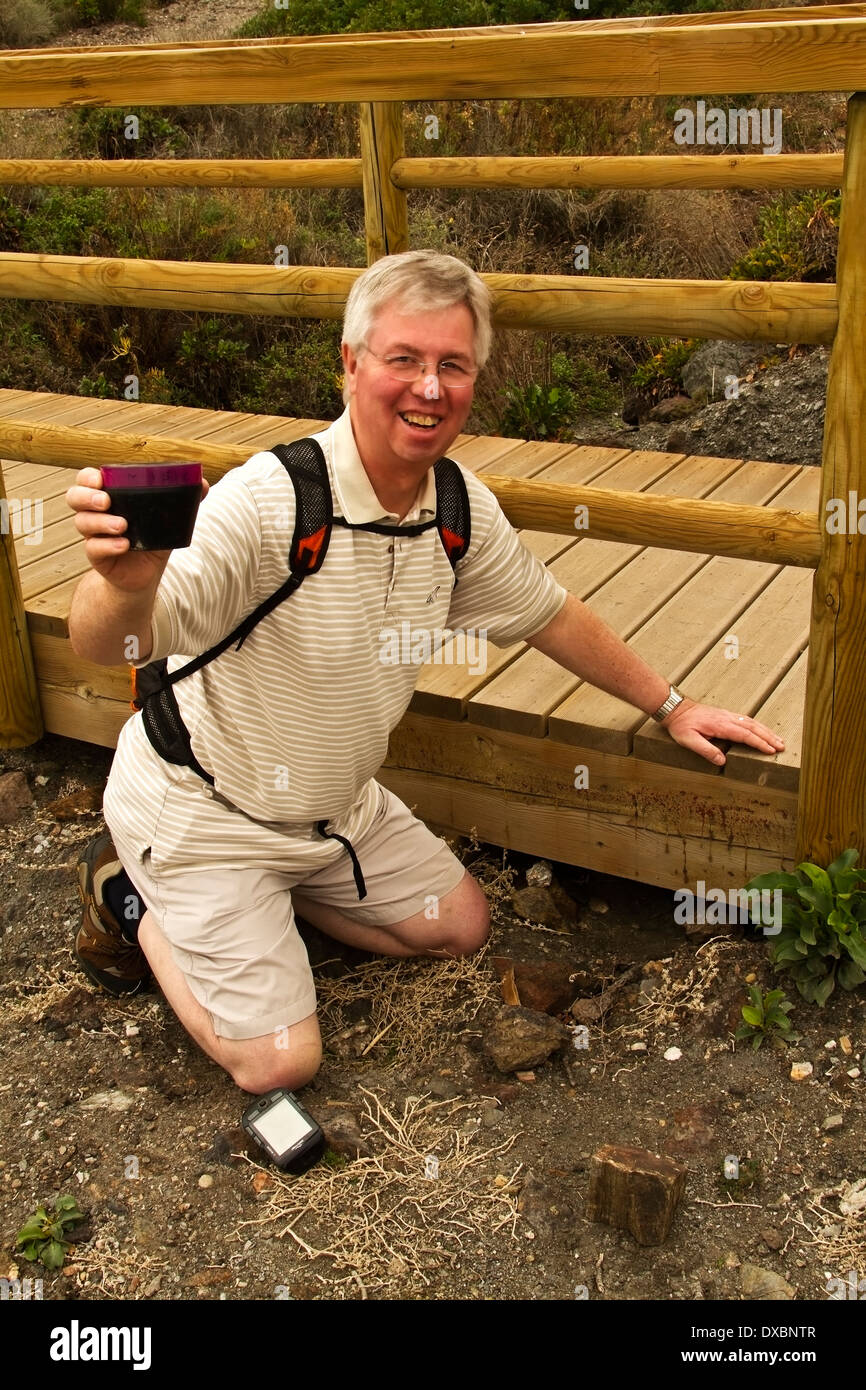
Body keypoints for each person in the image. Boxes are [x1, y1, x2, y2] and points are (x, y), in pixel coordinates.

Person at [65, 249, 784, 1095]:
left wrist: (670, 703)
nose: (430, 389)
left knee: (462, 926)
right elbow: (105, 645)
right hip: (206, 809)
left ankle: (260, 911)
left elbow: (548, 614)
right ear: (350, 363)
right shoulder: (267, 503)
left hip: (332, 811)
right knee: (279, 1064)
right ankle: (132, 896)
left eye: (452, 365)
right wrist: (123, 583)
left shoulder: (456, 507)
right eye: (403, 360)